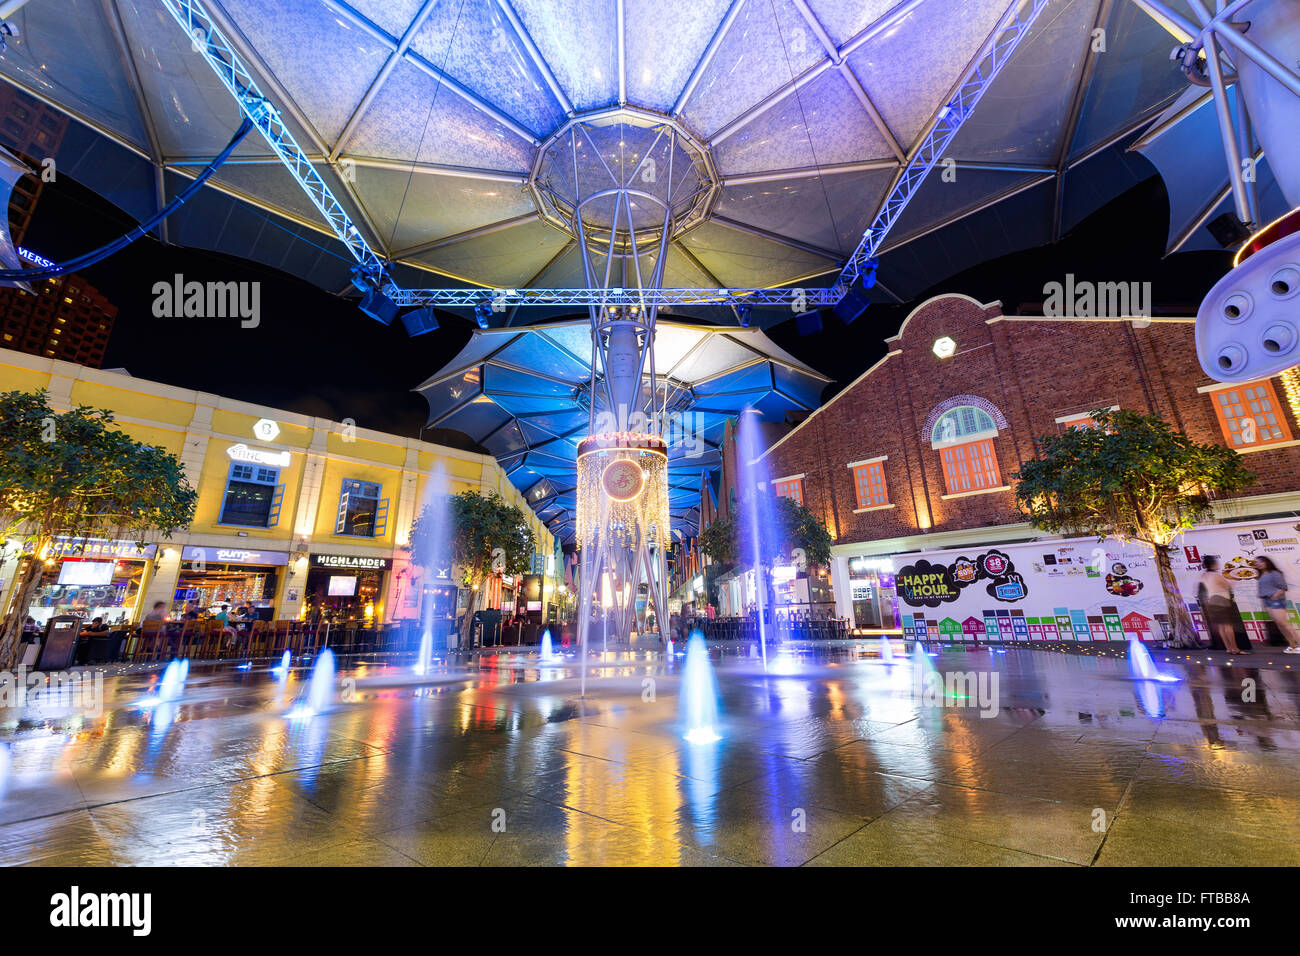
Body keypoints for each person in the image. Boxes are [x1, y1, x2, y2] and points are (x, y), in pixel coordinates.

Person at [1252, 557, 1300, 653]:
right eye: (1257, 563)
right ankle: (1292, 645)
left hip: (1276, 600)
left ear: (1267, 562)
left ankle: (1299, 644)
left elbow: (1283, 587)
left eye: (1261, 562)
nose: (1259, 564)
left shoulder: (1275, 573)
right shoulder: (1260, 575)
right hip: (1266, 601)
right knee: (1279, 624)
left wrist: (1275, 595)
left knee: (1283, 623)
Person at [1198, 556, 1245, 654]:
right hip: (1222, 600)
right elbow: (1228, 586)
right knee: (1228, 626)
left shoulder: (1204, 575)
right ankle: (1235, 649)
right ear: (1213, 564)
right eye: (1216, 563)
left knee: (1221, 626)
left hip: (1212, 601)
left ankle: (1228, 648)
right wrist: (1237, 578)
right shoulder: (1216, 575)